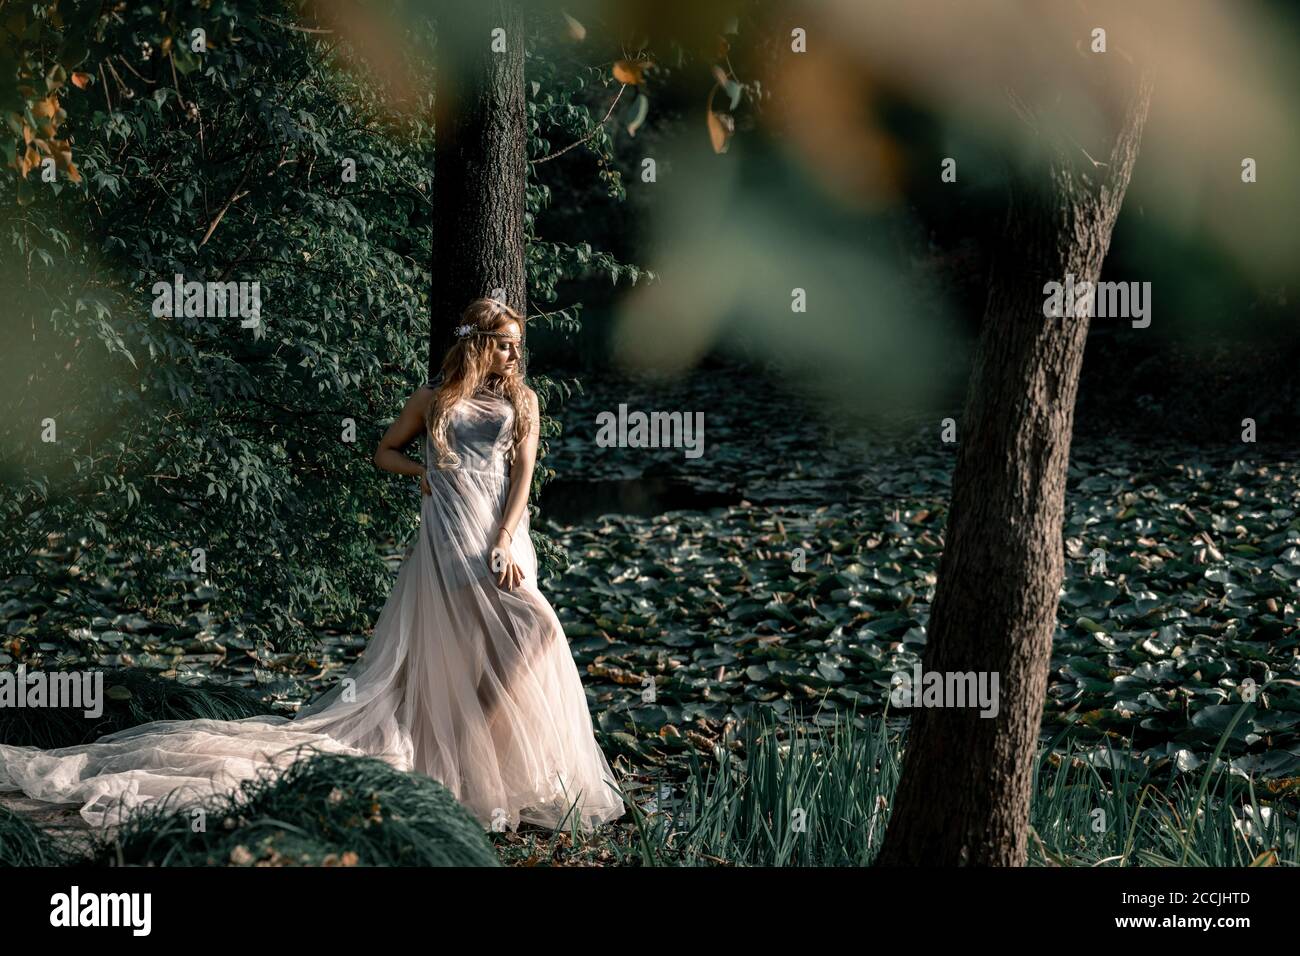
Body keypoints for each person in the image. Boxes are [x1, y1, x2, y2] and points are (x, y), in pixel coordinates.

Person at [0, 297, 626, 834]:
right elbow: (385, 451)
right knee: (459, 646)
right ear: (482, 345)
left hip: (496, 536)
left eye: (519, 347)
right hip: (445, 535)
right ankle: (462, 755)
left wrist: (508, 534)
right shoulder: (434, 397)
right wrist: (427, 474)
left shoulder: (524, 401)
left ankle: (474, 742)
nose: (516, 357)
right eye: (507, 346)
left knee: (535, 631)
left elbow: (522, 475)